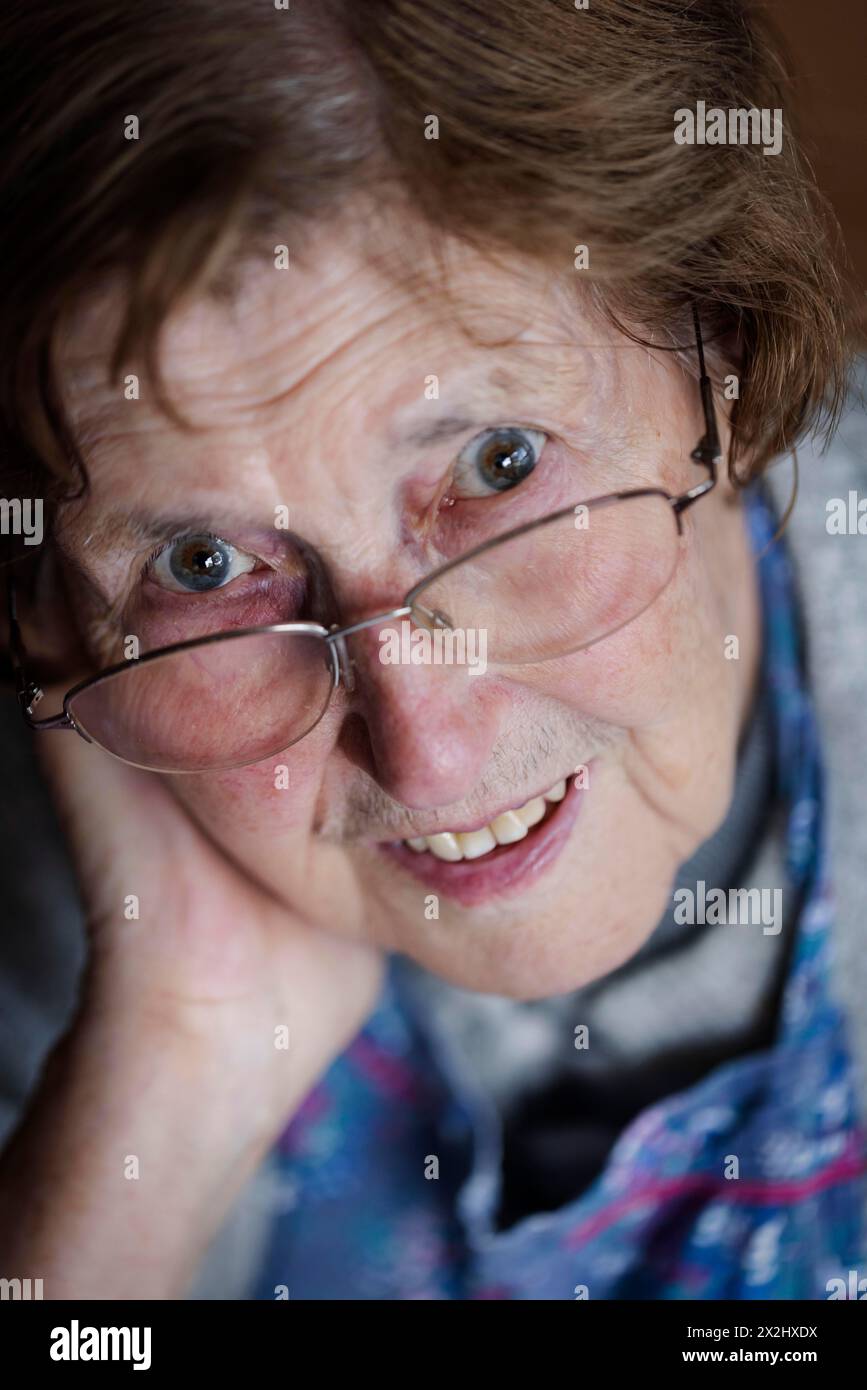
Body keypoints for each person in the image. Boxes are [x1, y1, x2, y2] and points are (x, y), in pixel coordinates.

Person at [0, 0, 865, 1300]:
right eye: (205, 567)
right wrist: (169, 1072)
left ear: (721, 347)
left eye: (497, 466)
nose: (425, 743)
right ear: (50, 614)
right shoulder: (39, 904)